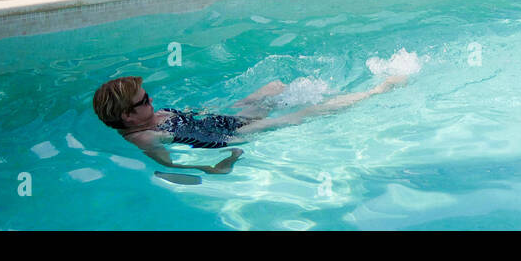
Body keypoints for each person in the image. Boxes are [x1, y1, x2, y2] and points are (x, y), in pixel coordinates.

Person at [92, 75, 408, 174]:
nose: (151, 101)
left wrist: (215, 108)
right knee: (298, 116)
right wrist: (216, 166)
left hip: (221, 121)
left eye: (148, 96)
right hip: (228, 136)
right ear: (127, 117)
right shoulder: (143, 138)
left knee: (275, 87)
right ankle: (375, 91)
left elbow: (189, 114)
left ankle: (342, 94)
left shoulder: (146, 114)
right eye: (144, 101)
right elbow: (171, 164)